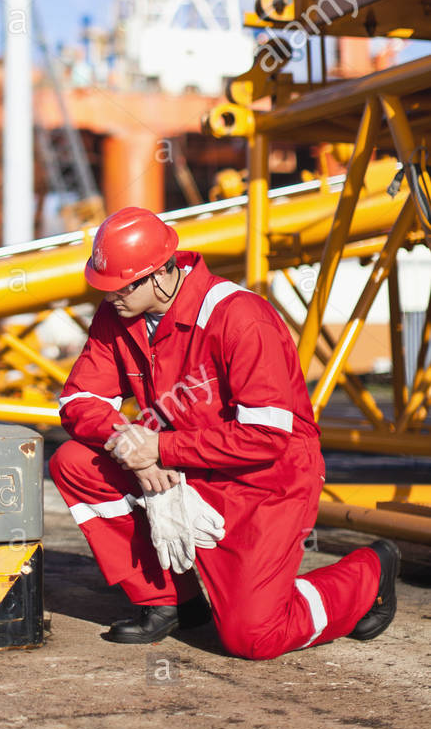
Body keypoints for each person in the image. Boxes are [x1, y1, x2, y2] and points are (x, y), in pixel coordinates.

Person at [50, 206, 400, 658]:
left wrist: (160, 447)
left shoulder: (240, 318)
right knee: (75, 462)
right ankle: (171, 599)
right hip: (185, 465)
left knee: (254, 637)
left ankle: (369, 573)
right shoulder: (116, 316)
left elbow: (267, 435)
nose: (110, 296)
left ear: (157, 276)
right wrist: (131, 443)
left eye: (120, 286)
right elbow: (78, 401)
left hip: (267, 484)